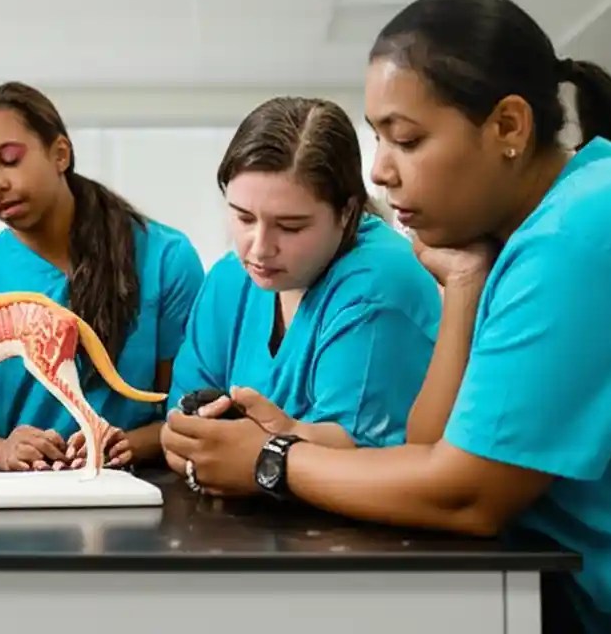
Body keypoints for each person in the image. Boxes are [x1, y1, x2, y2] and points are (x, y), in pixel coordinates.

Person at [160, 0, 611, 634]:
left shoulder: (583, 233)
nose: (381, 173)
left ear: (507, 128)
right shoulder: (540, 229)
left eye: (407, 141)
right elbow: (433, 444)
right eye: (378, 141)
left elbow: (466, 495)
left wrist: (272, 460)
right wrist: (469, 279)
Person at [163, 96, 442, 465]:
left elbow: (357, 461)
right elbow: (178, 430)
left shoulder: (381, 284)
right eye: (244, 218)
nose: (259, 249)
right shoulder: (229, 279)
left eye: (290, 226)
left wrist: (249, 455)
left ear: (346, 212)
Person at [0, 81, 205, 472]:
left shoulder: (166, 258)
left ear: (60, 154)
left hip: (140, 492)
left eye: (10, 159)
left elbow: (184, 414)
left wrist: (123, 444)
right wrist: (2, 450)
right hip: (22, 497)